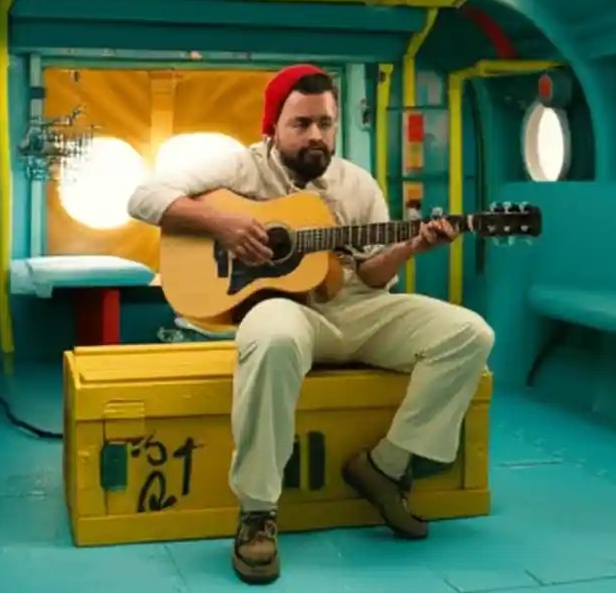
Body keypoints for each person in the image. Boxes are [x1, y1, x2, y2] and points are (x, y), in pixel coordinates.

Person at [126, 64, 495, 585]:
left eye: (325, 123)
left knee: (470, 334)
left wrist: (411, 246)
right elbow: (142, 199)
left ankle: (386, 468)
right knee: (272, 332)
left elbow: (371, 272)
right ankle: (257, 512)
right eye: (301, 124)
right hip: (289, 312)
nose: (316, 135)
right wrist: (224, 224)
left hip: (356, 307)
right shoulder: (238, 168)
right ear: (273, 125)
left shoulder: (356, 184)